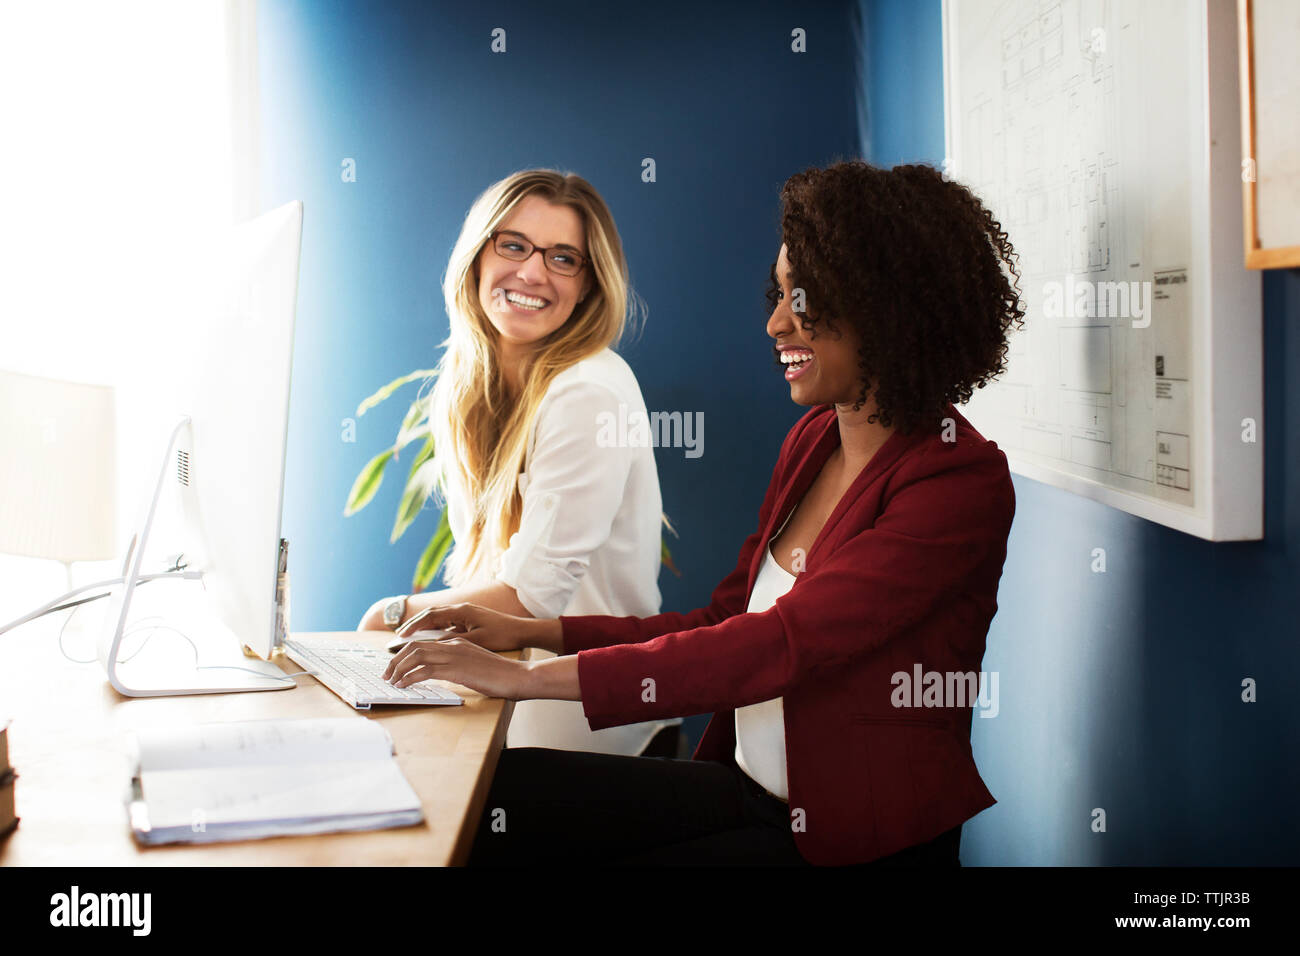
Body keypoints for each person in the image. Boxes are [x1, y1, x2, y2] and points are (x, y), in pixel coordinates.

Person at [382, 160, 1024, 866]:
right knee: (500, 796)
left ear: (888, 308)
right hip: (748, 793)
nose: (777, 322)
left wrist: (527, 677)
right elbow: (725, 622)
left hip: (842, 840)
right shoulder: (814, 438)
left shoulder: (958, 481)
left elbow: (780, 645)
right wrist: (531, 632)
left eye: (805, 299)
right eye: (778, 294)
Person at [358, 169, 678, 756]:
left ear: (587, 285)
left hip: (584, 738)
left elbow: (529, 599)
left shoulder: (588, 391)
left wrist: (392, 612)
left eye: (563, 258)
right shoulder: (468, 384)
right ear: (478, 257)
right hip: (501, 704)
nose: (532, 272)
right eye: (513, 245)